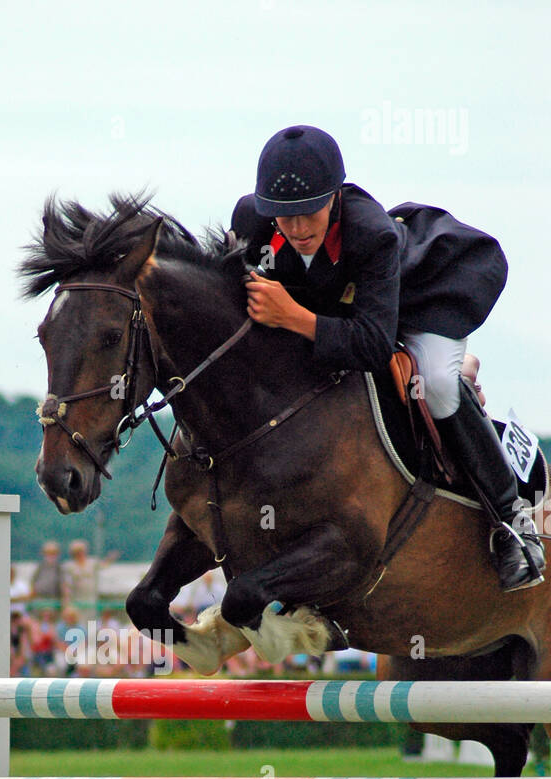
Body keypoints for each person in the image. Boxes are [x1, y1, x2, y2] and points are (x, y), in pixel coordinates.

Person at [231, 124, 545, 592]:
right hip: (344, 309)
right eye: (284, 217)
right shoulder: (253, 220)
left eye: (308, 214)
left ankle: (512, 524)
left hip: (421, 298)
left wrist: (294, 316)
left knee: (436, 383)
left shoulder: (371, 233)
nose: (295, 229)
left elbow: (375, 345)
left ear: (335, 197)